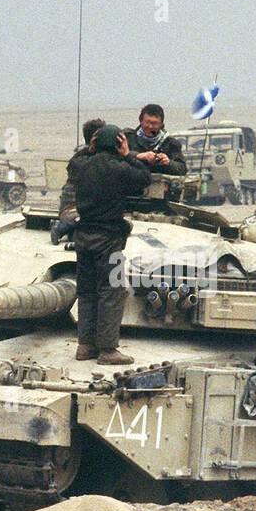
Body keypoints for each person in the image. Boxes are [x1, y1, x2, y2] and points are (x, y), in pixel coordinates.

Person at [72, 124, 151, 364]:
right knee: (112, 293)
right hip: (109, 241)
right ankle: (107, 350)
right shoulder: (120, 169)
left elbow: (74, 161)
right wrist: (128, 154)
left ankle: (85, 346)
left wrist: (89, 149)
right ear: (118, 144)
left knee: (86, 292)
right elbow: (144, 179)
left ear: (95, 144)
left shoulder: (81, 166)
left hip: (83, 238)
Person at [52, 117, 104, 243]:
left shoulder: (83, 157)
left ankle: (71, 231)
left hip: (88, 212)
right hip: (73, 210)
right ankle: (63, 227)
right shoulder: (82, 160)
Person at [125, 103, 185, 175]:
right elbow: (115, 158)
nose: (150, 127)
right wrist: (138, 156)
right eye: (147, 122)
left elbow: (182, 169)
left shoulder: (170, 143)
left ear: (161, 124)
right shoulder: (128, 138)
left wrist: (168, 163)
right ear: (141, 121)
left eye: (154, 123)